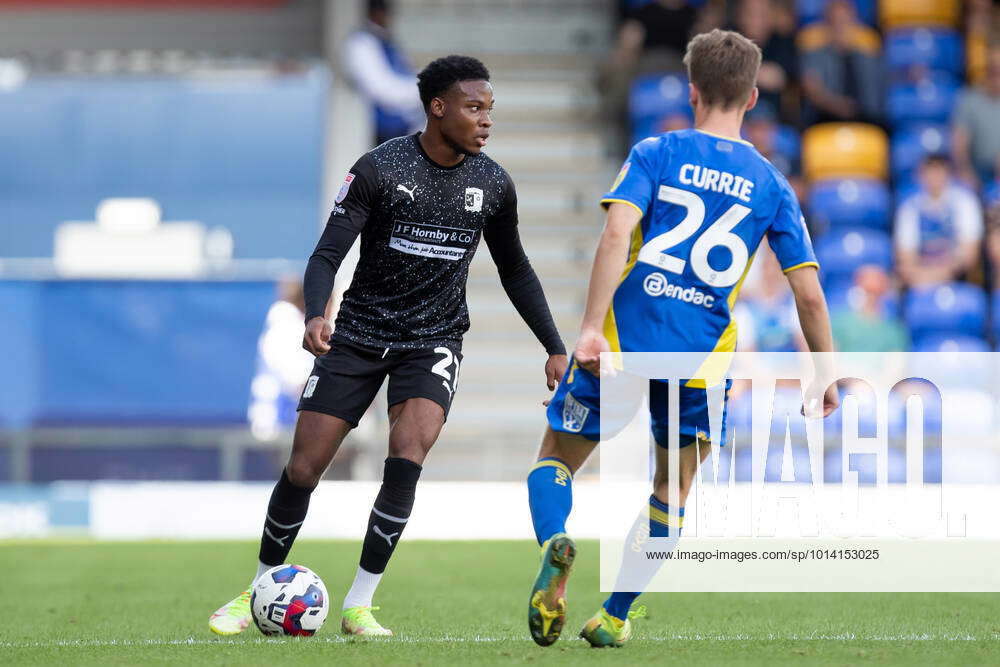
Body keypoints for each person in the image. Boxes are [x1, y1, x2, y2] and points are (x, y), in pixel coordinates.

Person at [209, 55, 567, 637]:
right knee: (303, 467)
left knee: (408, 454)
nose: (485, 122)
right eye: (474, 109)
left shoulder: (493, 184)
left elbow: (516, 270)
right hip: (359, 335)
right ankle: (258, 589)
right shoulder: (380, 168)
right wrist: (317, 312)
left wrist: (552, 345)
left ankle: (359, 605)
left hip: (433, 339)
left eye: (490, 111)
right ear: (438, 107)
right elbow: (327, 254)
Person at [524, 29, 839, 648]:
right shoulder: (773, 184)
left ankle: (555, 542)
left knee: (556, 460)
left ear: (692, 90)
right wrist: (825, 374)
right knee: (672, 488)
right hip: (699, 362)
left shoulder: (656, 151)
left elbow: (617, 235)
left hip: (621, 346)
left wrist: (589, 328)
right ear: (752, 98)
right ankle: (614, 615)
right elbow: (808, 293)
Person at [342, 0, 425, 146]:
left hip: (404, 124)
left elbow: (405, 71)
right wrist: (422, 89)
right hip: (380, 129)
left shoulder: (386, 40)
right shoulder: (361, 43)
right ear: (377, 13)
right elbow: (381, 89)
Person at [894, 154, 983, 288]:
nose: (934, 177)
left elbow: (969, 255)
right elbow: (905, 258)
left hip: (957, 277)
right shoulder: (909, 207)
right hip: (919, 278)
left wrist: (940, 275)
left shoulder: (964, 201)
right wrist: (923, 276)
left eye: (938, 171)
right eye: (930, 171)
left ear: (948, 174)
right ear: (920, 175)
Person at [800, 0, 883, 126]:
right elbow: (813, 91)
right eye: (835, 22)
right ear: (826, 25)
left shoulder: (869, 59)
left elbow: (880, 94)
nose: (840, 28)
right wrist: (837, 105)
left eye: (845, 22)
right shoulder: (813, 57)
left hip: (867, 121)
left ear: (854, 24)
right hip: (825, 121)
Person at [952, 45, 1000, 189]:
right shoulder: (969, 99)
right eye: (993, 69)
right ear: (986, 69)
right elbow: (959, 141)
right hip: (979, 171)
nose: (997, 74)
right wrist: (965, 170)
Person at [830, 265, 908, 353]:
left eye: (875, 292)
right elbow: (831, 356)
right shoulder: (839, 322)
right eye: (867, 290)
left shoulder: (893, 330)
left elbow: (895, 361)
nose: (871, 298)